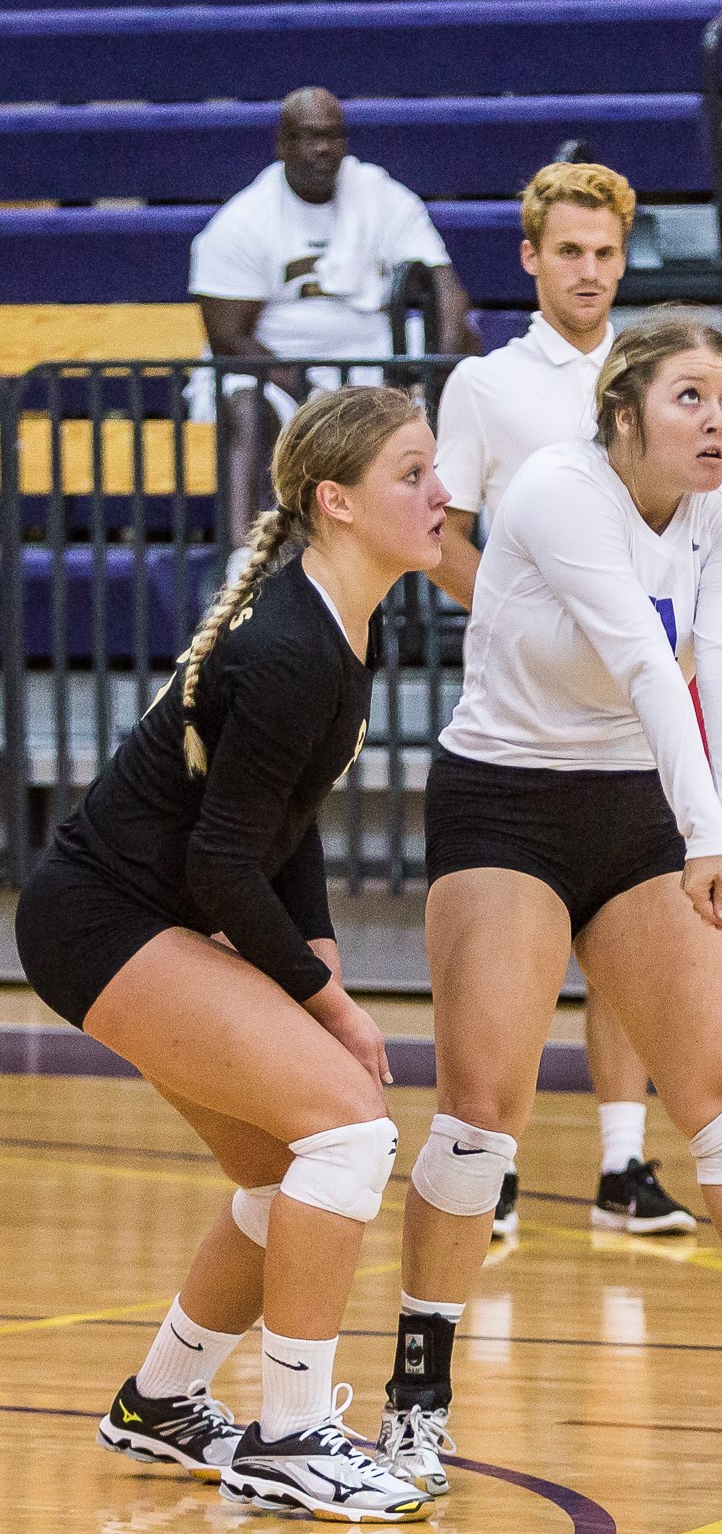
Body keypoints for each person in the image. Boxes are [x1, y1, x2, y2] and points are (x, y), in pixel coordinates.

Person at [375, 311, 722, 1500]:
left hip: (634, 796)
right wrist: (707, 832)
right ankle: (414, 1402)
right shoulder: (555, 488)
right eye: (690, 397)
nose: (717, 420)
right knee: (479, 1113)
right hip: (509, 801)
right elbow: (642, 660)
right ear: (622, 413)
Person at [14, 386, 451, 1524]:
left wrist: (320, 968)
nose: (441, 493)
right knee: (348, 1130)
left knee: (283, 1166)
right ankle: (292, 1435)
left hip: (142, 915)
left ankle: (162, 1399)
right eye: (412, 473)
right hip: (103, 918)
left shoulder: (338, 622)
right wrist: (333, 1007)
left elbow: (278, 830)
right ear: (336, 501)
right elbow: (220, 863)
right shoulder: (294, 646)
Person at [432, 160, 695, 1243]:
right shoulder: (486, 386)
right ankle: (491, 1166)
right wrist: (528, 611)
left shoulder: (660, 379)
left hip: (634, 707)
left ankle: (621, 1165)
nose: (589, 271)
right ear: (530, 257)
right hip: (523, 714)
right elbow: (442, 533)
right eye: (569, 252)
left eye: (606, 253)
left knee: (629, 943)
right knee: (517, 954)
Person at [187, 85, 472, 561]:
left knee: (467, 352)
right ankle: (247, 559)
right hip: (279, 369)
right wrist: (316, 394)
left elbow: (445, 285)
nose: (323, 149)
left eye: (333, 136)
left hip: (373, 360)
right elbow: (228, 338)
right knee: (244, 404)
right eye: (309, 137)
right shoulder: (242, 221)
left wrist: (436, 367)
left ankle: (451, 539)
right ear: (282, 143)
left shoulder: (379, 194)